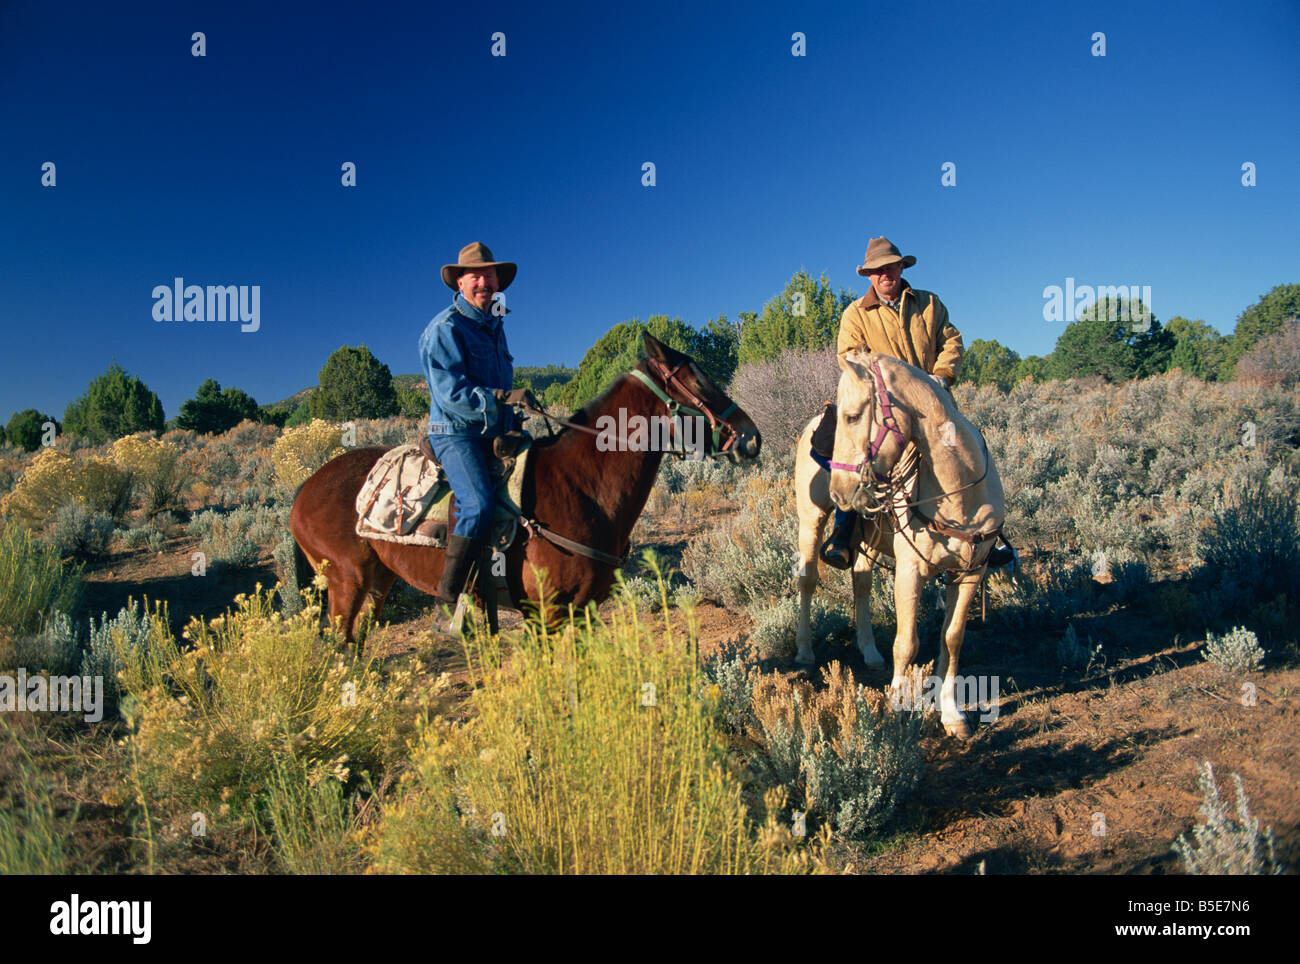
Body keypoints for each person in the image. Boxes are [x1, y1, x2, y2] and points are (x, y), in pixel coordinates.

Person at [815, 236, 991, 569]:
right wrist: (886, 378)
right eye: (878, 270)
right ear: (869, 275)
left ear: (901, 267)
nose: (886, 274)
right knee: (846, 452)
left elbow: (951, 341)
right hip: (883, 405)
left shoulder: (929, 303)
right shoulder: (856, 313)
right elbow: (848, 357)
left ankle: (989, 534)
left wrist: (941, 376)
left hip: (931, 402)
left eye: (891, 267)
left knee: (969, 449)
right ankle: (844, 531)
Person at [419, 241, 533, 634]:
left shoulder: (496, 326)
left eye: (490, 275)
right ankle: (448, 606)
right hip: (455, 431)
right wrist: (498, 398)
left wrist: (513, 414)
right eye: (476, 276)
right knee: (479, 503)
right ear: (461, 282)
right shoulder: (444, 329)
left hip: (493, 430)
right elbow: (450, 395)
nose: (484, 282)